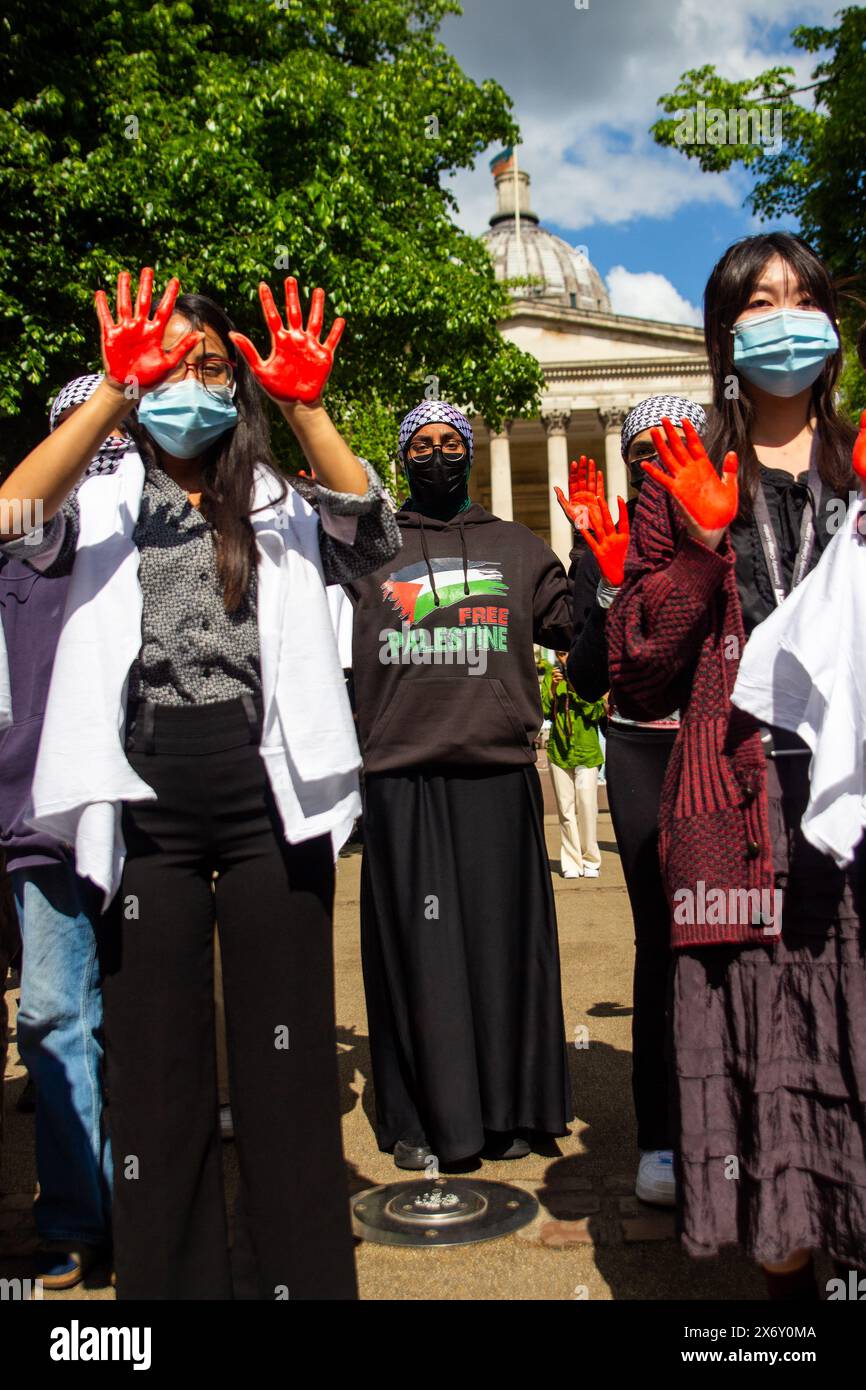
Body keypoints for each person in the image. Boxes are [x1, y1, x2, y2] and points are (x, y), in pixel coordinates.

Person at [0, 266, 401, 1300]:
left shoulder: (279, 500)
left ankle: (300, 1279)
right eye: (167, 366)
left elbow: (374, 532)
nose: (189, 382)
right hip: (146, 790)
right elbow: (12, 512)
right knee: (158, 1069)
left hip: (267, 785)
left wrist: (304, 405)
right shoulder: (98, 498)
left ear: (239, 384)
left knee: (285, 1059)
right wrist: (111, 393)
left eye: (210, 366)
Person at [607, 232, 862, 1298]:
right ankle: (789, 1297)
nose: (786, 316)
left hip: (852, 804)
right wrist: (704, 551)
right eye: (760, 302)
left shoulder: (859, 459)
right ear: (723, 332)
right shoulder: (678, 473)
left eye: (803, 297)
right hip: (739, 808)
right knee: (769, 1075)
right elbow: (639, 669)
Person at [345, 401, 574, 1170]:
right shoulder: (371, 547)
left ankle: (511, 1114)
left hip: (496, 771)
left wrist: (611, 570)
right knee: (419, 957)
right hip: (401, 772)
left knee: (503, 953)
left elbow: (576, 631)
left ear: (470, 454)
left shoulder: (516, 546)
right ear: (402, 455)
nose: (438, 454)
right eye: (423, 444)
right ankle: (425, 1121)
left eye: (451, 444)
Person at [557, 398, 708, 1206]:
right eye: (640, 453)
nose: (654, 468)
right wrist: (613, 586)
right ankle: (662, 1135)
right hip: (644, 746)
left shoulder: (733, 523)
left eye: (672, 449)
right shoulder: (599, 542)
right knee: (662, 939)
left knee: (734, 931)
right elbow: (584, 675)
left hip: (723, 743)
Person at [0, 375, 128, 1288]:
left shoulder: (159, 532)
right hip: (44, 815)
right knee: (51, 1012)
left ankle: (153, 1201)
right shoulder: (26, 540)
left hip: (153, 808)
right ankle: (78, 1214)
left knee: (148, 1017)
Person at [540, 651, 605, 879]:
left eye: (566, 654)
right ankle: (571, 860)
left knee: (587, 806)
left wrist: (575, 689)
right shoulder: (551, 675)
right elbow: (545, 711)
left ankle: (590, 859)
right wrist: (552, 690)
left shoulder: (589, 676)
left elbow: (597, 711)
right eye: (559, 654)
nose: (563, 658)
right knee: (565, 810)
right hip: (559, 751)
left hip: (586, 751)